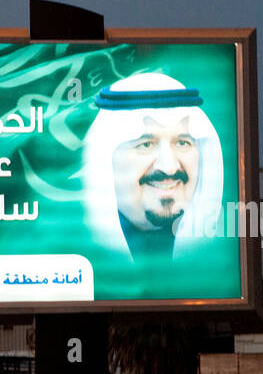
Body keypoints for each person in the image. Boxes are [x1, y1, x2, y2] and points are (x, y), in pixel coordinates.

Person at [81, 73, 224, 265]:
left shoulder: (223, 256)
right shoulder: (78, 254)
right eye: (146, 145)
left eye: (182, 143)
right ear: (106, 159)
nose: (169, 167)